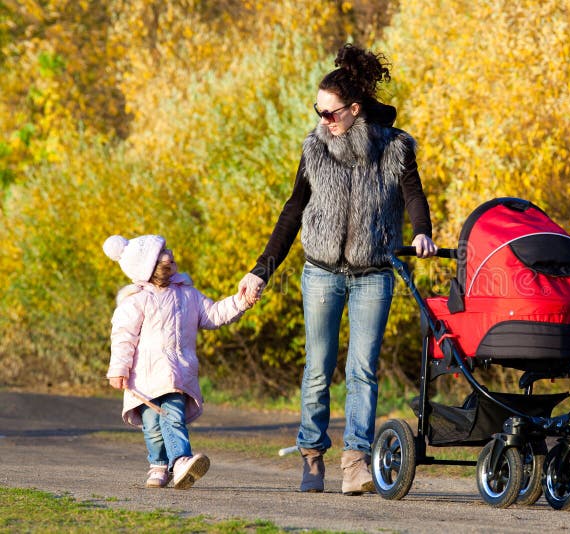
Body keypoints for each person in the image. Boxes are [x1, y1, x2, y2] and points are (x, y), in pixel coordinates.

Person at [238, 43, 437, 495]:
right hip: (322, 273)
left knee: (362, 370)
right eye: (318, 111)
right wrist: (261, 270)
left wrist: (422, 232)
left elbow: (413, 194)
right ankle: (312, 457)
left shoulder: (395, 147)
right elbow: (293, 211)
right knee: (318, 368)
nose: (323, 120)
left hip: (374, 273)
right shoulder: (314, 148)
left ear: (354, 109)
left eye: (330, 112)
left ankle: (355, 463)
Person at [103, 234, 251, 489]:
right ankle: (158, 465)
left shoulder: (188, 295)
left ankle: (181, 460)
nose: (169, 254)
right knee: (152, 426)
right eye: (162, 253)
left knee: (172, 416)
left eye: (167, 250)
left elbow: (214, 314)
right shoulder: (137, 301)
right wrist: (118, 369)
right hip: (143, 377)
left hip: (176, 373)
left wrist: (241, 301)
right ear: (148, 266)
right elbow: (123, 337)